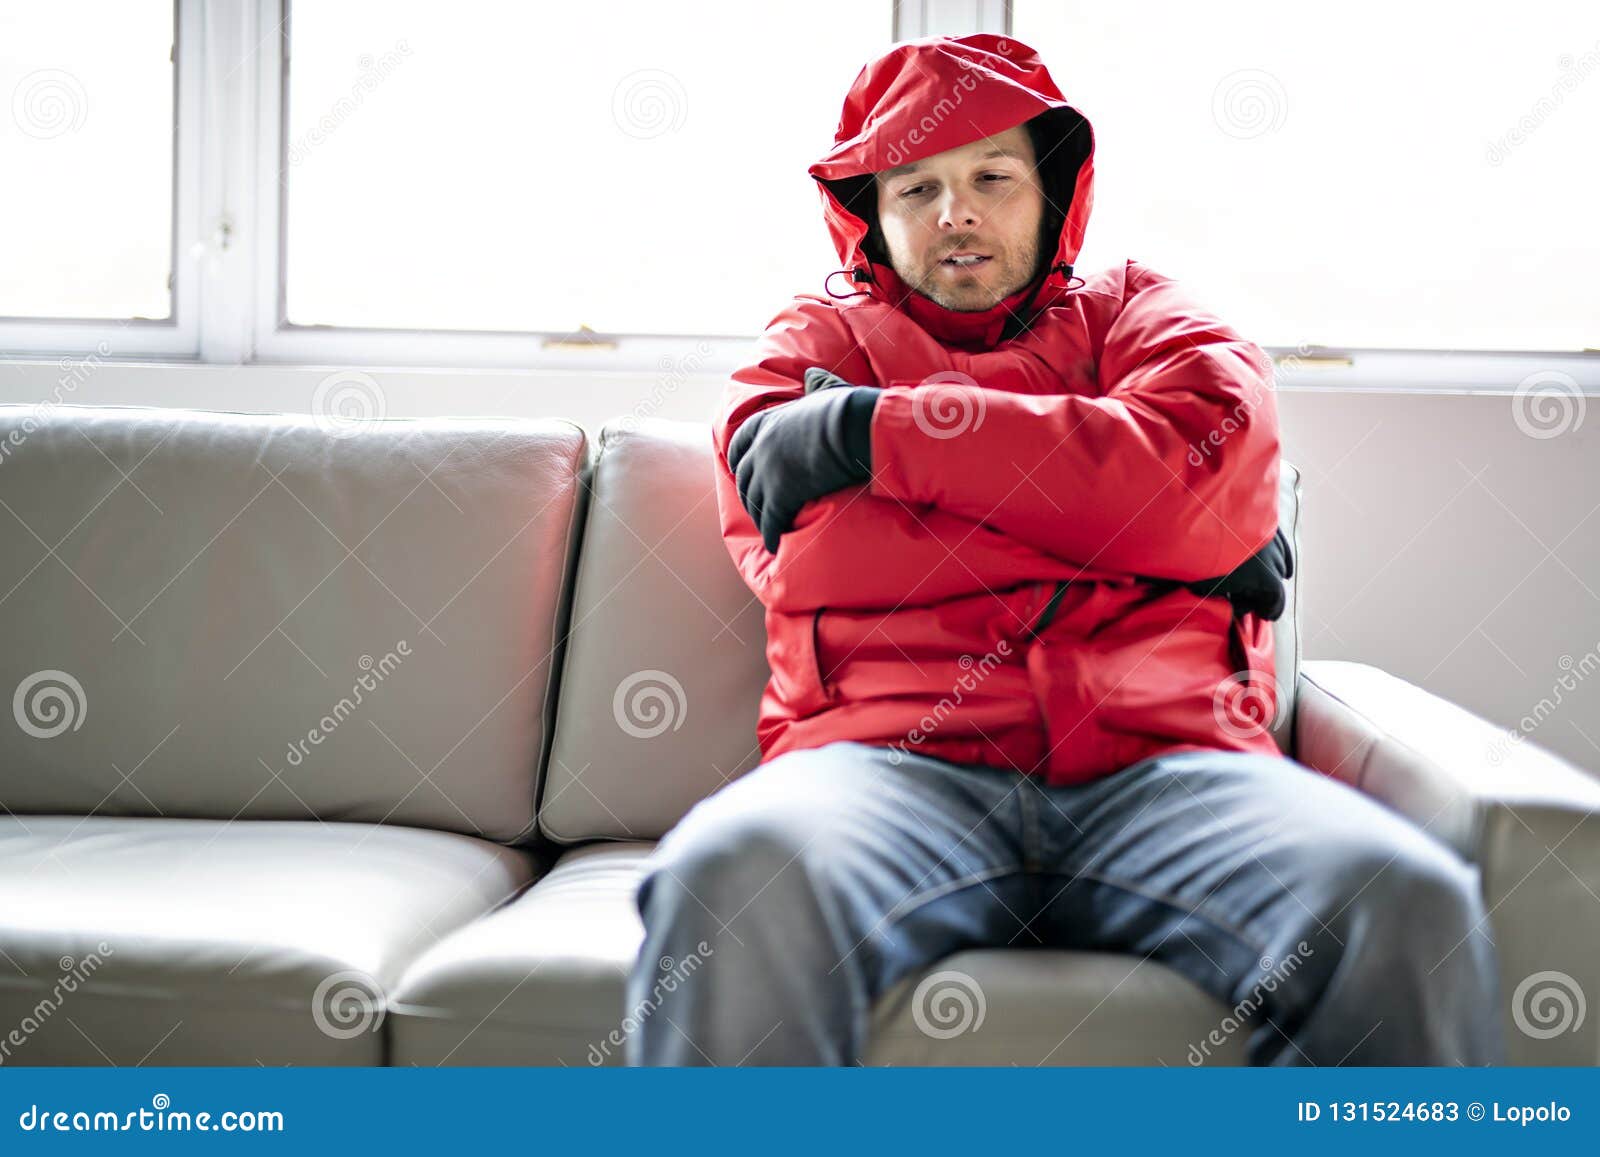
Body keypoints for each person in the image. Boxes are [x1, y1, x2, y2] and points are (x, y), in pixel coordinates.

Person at [624, 32, 1503, 1066]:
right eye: (915, 187)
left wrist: (877, 433)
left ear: (1049, 191)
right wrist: (1146, 526)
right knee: (731, 875)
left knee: (1403, 902)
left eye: (990, 177)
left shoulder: (1147, 310)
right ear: (869, 213)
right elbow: (814, 555)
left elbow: (1199, 470)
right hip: (887, 769)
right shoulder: (811, 347)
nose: (954, 211)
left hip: (1173, 766)